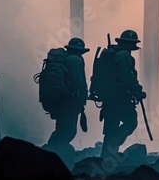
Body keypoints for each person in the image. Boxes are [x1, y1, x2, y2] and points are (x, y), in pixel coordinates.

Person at [96, 29, 145, 159]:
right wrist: (137, 90)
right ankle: (112, 148)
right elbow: (126, 77)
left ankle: (105, 156)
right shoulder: (124, 55)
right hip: (120, 97)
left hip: (109, 97)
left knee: (111, 128)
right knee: (131, 122)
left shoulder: (112, 54)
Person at [45, 37, 90, 159]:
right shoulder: (76, 60)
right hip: (70, 100)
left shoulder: (64, 58)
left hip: (60, 99)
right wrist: (83, 97)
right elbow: (79, 81)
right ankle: (54, 155)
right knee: (68, 131)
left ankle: (50, 153)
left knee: (61, 128)